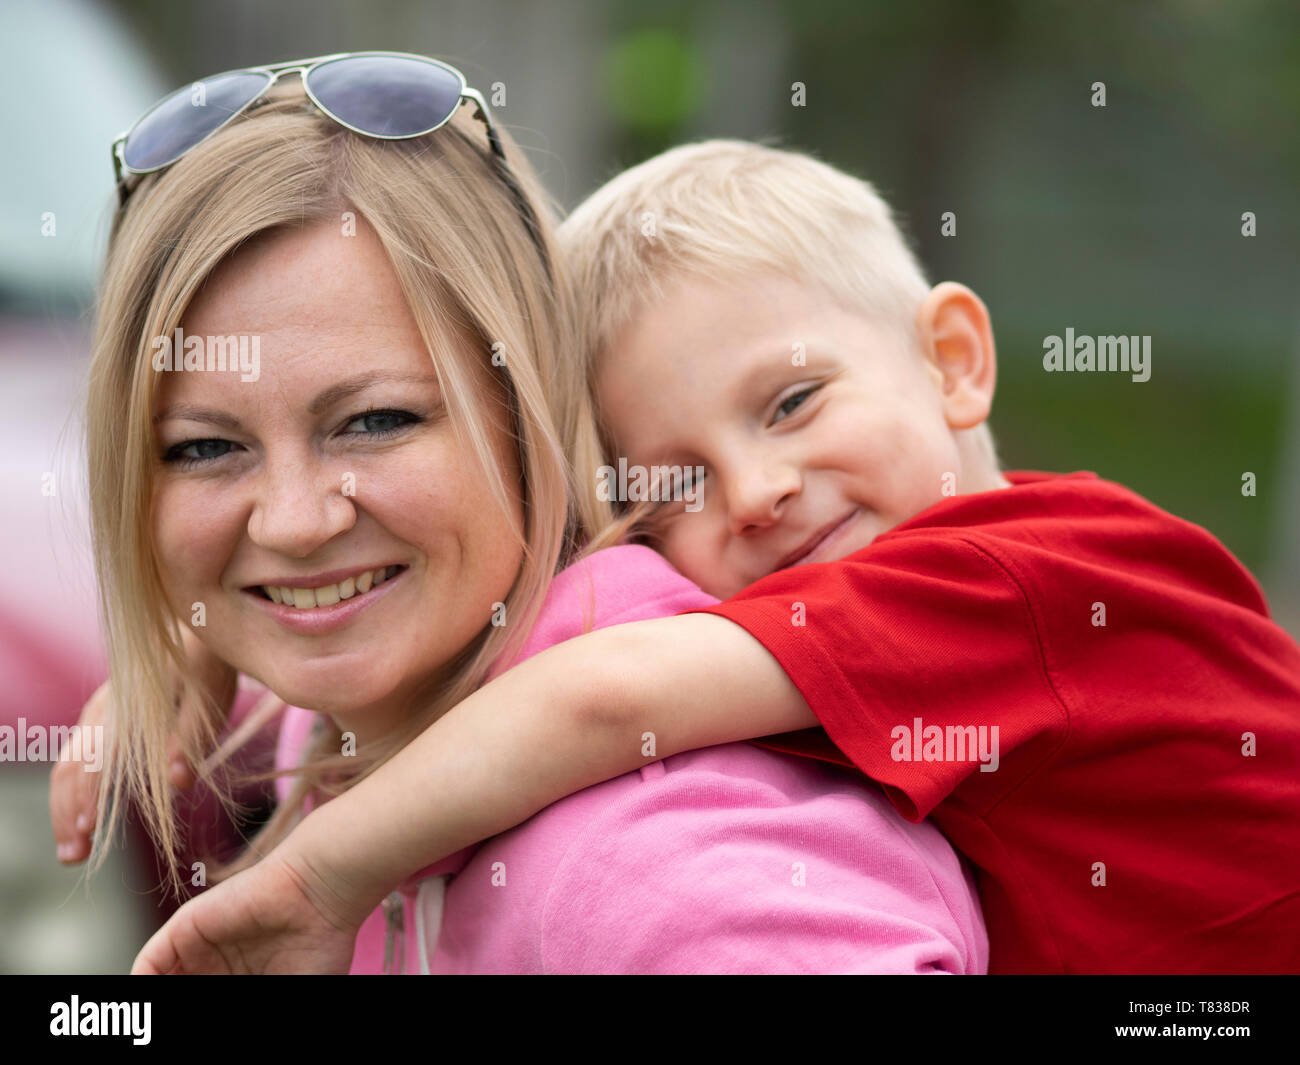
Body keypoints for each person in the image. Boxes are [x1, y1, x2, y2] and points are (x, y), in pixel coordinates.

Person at [130, 138, 1300, 975]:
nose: (754, 493)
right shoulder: (954, 596)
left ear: (952, 358)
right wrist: (177, 674)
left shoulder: (1005, 581)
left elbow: (601, 696)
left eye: (791, 402)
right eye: (674, 480)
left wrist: (317, 878)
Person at [59, 60, 987, 974]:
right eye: (204, 449)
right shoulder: (375, 698)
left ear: (534, 409)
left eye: (376, 421)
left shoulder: (661, 852)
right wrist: (187, 648)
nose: (296, 524)